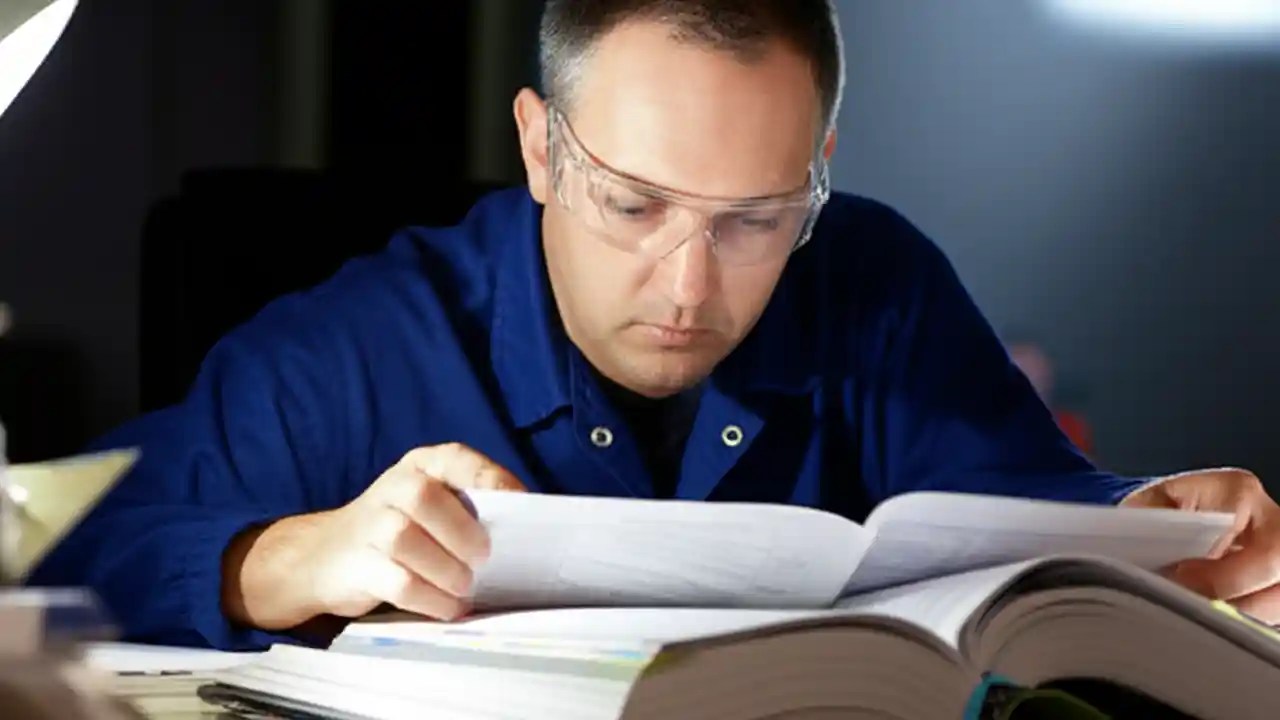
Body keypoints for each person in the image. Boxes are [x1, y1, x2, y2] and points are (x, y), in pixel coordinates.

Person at [30, 0, 1280, 650]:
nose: (690, 287)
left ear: (820, 168)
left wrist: (1158, 533)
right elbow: (57, 554)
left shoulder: (872, 279)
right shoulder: (352, 341)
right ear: (537, 147)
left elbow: (1027, 516)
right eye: (632, 204)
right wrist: (288, 558)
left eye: (755, 219)